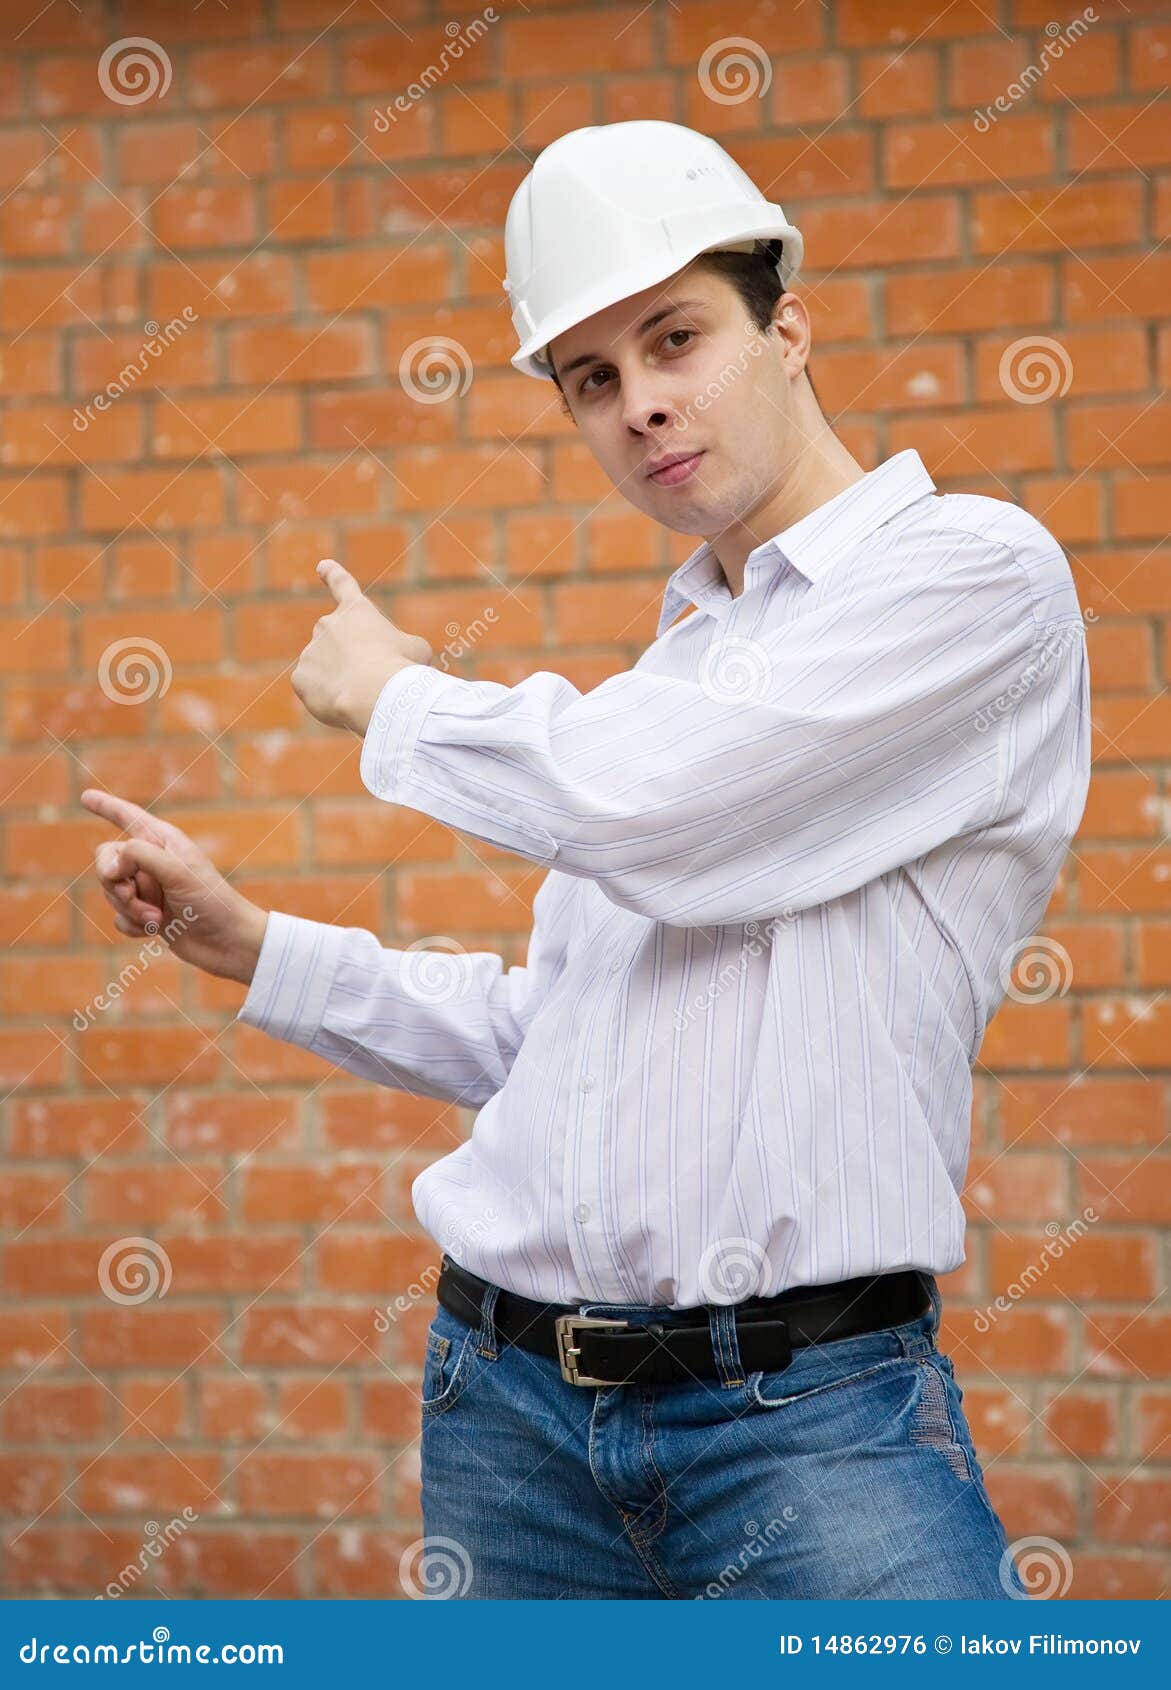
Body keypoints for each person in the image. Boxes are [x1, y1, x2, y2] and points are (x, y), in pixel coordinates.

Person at [86, 120, 1091, 1599]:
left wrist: (394, 693)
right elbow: (560, 1040)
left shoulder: (973, 579)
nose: (643, 406)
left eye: (678, 339)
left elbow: (657, 812)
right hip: (509, 1408)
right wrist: (257, 945)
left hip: (805, 1421)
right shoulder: (681, 660)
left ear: (790, 326)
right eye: (593, 378)